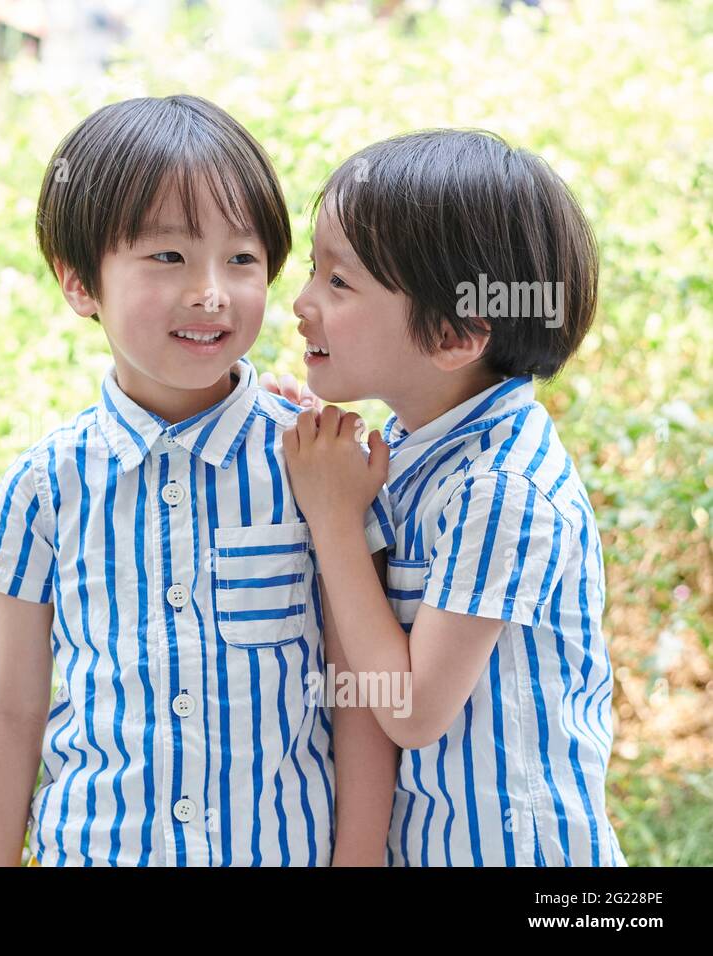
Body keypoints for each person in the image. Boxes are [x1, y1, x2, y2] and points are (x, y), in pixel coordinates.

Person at [0, 95, 398, 866]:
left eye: (243, 259)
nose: (211, 291)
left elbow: (354, 693)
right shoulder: (43, 489)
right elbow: (12, 709)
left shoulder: (312, 465)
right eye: (168, 257)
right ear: (79, 284)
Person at [271, 129, 625, 866]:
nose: (303, 301)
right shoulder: (420, 440)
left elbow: (412, 709)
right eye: (314, 269)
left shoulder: (504, 490)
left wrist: (335, 518)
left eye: (340, 282)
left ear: (457, 333)